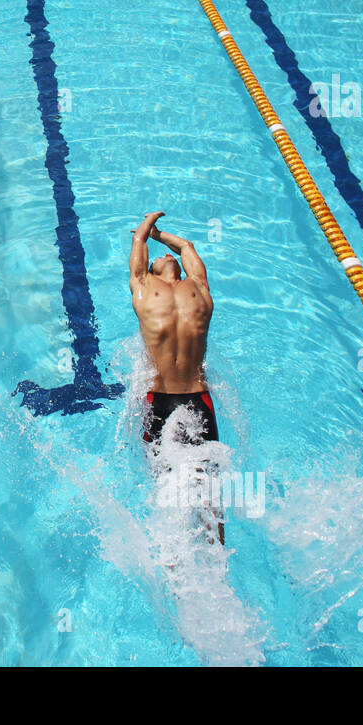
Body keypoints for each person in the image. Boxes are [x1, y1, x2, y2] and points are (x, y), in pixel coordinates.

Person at [128, 211, 222, 543]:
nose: (165, 256)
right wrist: (144, 230)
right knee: (166, 488)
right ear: (152, 271)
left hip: (197, 397)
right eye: (158, 258)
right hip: (160, 397)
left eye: (169, 256)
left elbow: (186, 246)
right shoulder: (143, 287)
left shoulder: (197, 287)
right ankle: (172, 564)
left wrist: (156, 234)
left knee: (210, 488)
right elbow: (136, 246)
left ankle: (217, 560)